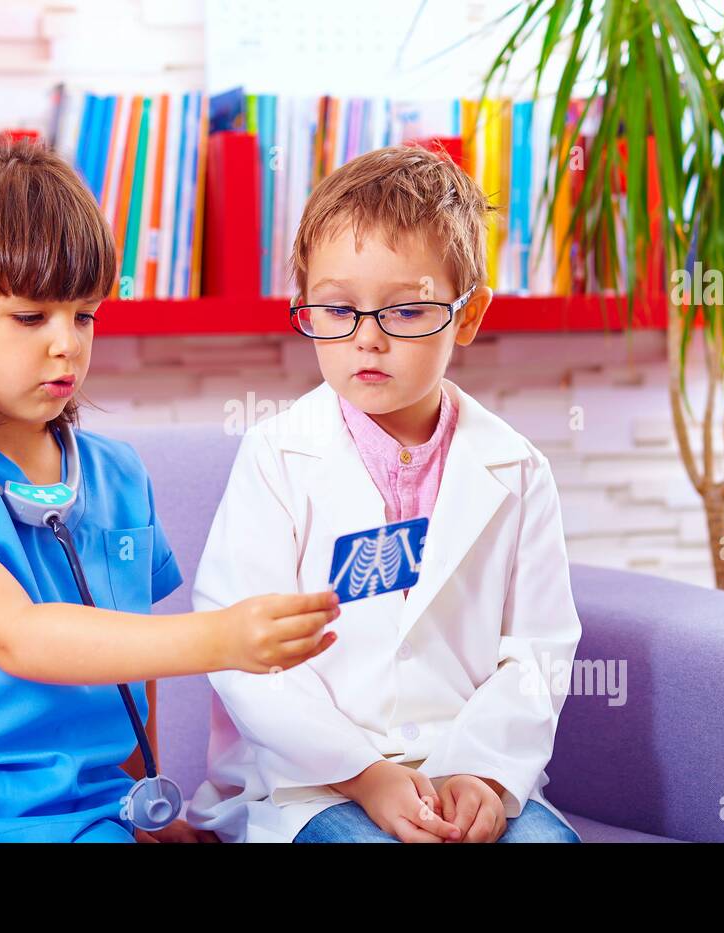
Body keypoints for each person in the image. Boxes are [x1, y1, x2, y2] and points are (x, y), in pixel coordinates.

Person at [0, 139, 339, 843]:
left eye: (85, 314)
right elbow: (16, 635)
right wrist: (221, 637)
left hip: (75, 817)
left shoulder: (119, 476)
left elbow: (134, 654)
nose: (66, 343)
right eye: (31, 317)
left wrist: (137, 795)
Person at [186, 145, 583, 843]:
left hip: (464, 770)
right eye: (338, 308)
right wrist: (365, 773)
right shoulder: (277, 458)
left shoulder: (517, 470)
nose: (366, 340)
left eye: (405, 312)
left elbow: (538, 652)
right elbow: (243, 652)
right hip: (316, 780)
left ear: (468, 316)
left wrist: (484, 774)